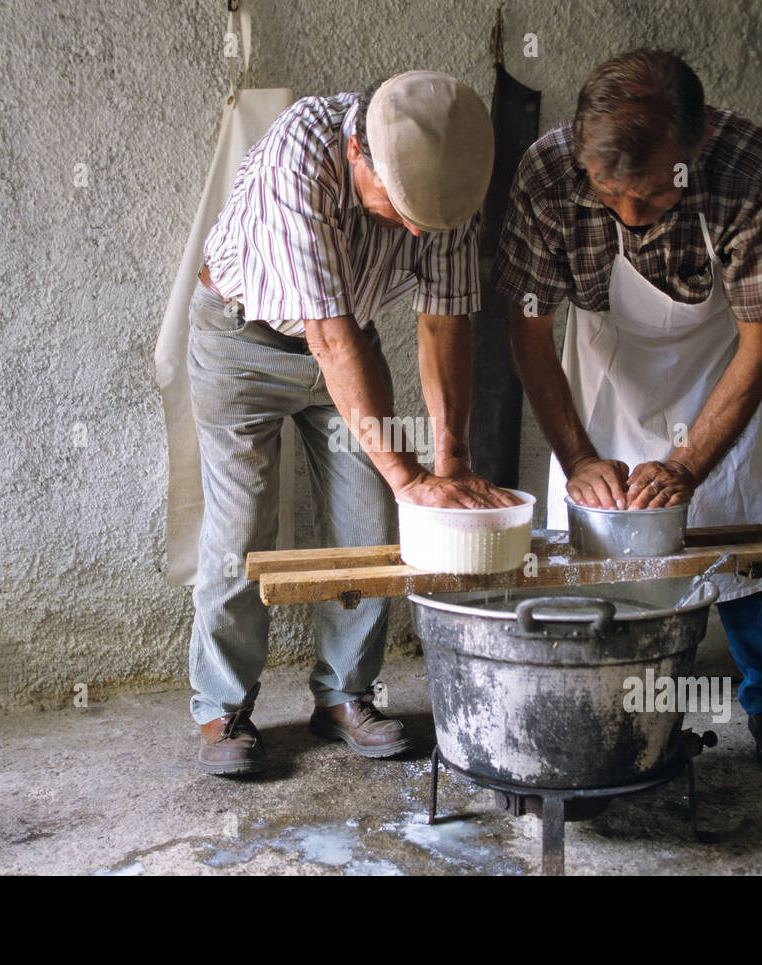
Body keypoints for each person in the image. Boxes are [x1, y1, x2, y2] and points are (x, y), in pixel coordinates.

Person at [496, 49, 762, 777]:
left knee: (747, 551)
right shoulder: (547, 174)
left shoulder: (750, 168)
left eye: (651, 200)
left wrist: (690, 462)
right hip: (602, 375)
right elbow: (528, 329)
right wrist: (579, 456)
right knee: (592, 562)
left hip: (716, 369)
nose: (629, 217)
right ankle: (593, 698)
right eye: (610, 197)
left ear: (696, 147)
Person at [189, 70, 515, 775]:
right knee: (240, 525)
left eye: (423, 226)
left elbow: (443, 321)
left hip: (349, 338)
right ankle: (222, 709)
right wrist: (407, 472)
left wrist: (449, 462)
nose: (409, 231)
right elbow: (326, 336)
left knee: (370, 521)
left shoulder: (450, 185)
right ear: (357, 151)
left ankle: (343, 695)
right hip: (241, 341)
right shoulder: (298, 156)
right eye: (397, 213)